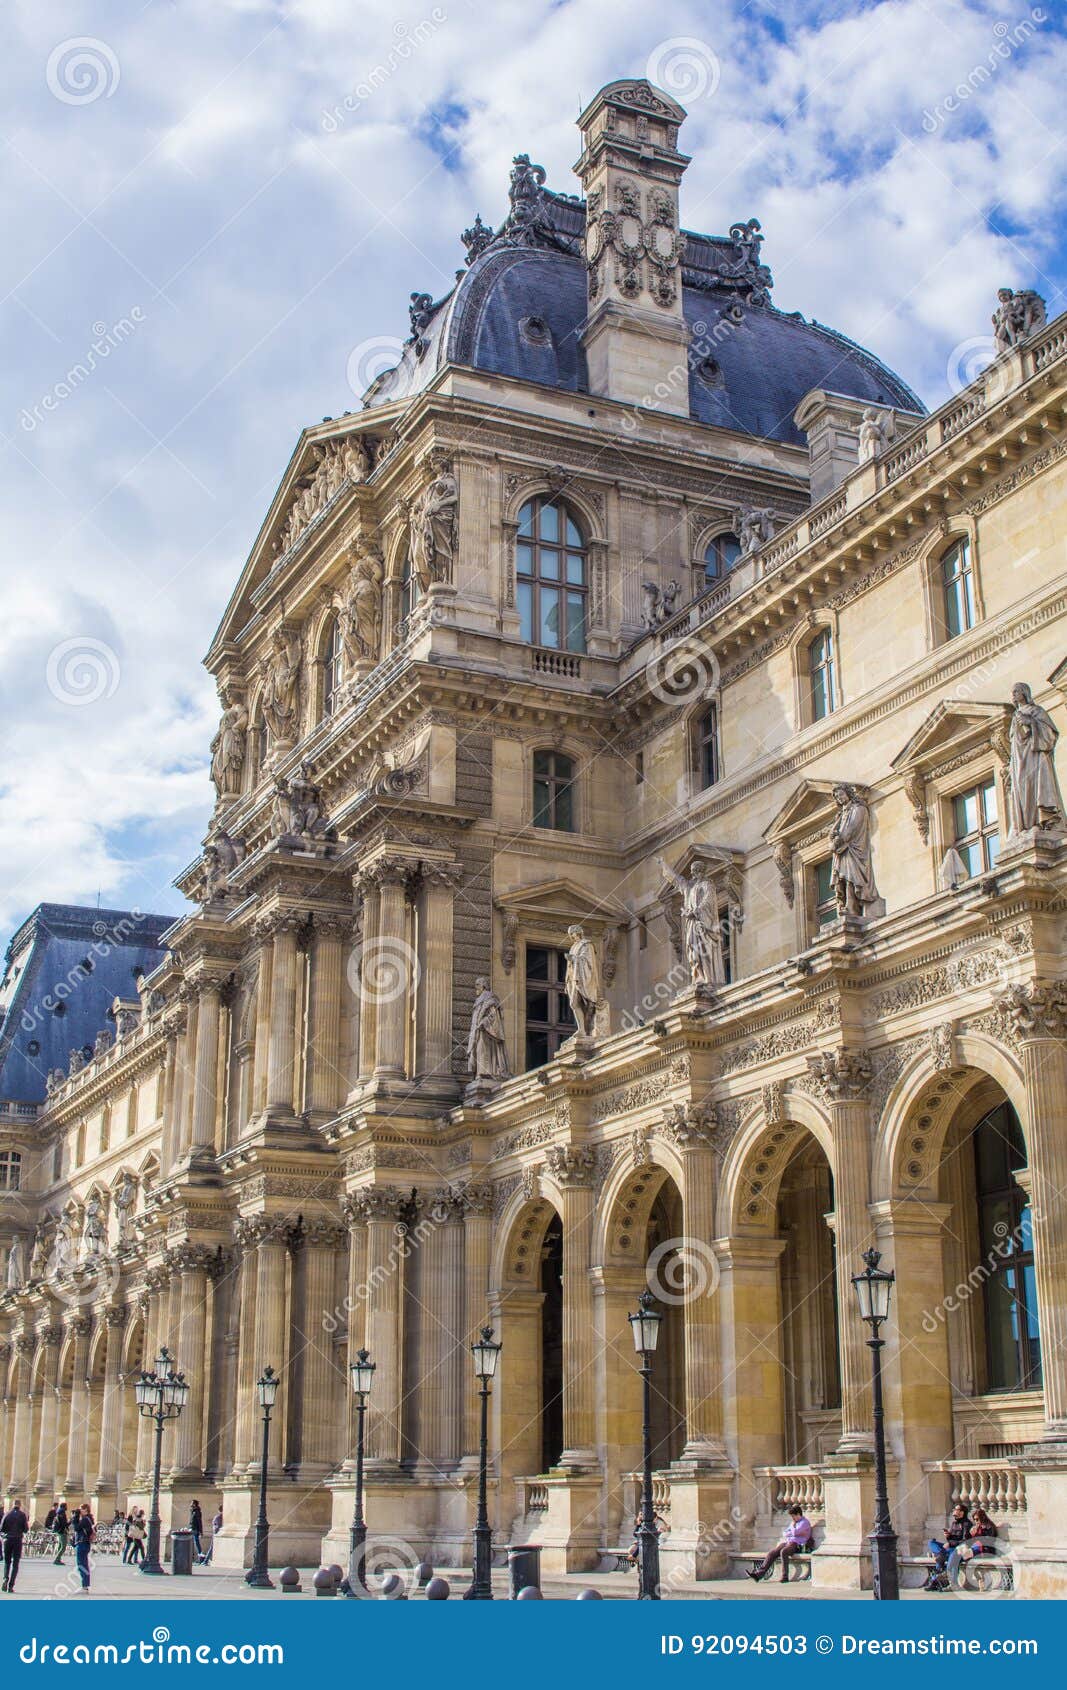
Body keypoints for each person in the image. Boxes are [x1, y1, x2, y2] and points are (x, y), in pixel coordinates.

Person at [747, 1503, 814, 1583]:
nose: (792, 1518)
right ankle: (758, 1574)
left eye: (793, 1516)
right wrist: (791, 1531)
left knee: (783, 1552)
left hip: (798, 1545)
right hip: (789, 1542)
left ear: (798, 1514)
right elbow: (785, 1533)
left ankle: (785, 1577)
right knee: (772, 1553)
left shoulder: (804, 1522)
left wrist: (792, 1528)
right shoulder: (794, 1523)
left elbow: (795, 1532)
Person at [924, 1502, 970, 1590]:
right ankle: (940, 1553)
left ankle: (934, 1581)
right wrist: (948, 1536)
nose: (954, 1511)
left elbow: (965, 1541)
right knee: (931, 1543)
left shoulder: (966, 1524)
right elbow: (950, 1540)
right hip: (948, 1548)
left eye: (956, 1509)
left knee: (941, 1560)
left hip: (958, 1549)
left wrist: (950, 1543)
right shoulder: (954, 1523)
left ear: (962, 1512)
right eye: (954, 1509)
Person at [1, 1497, 29, 1593]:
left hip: (8, 1539)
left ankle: (5, 1579)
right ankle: (11, 1585)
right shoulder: (22, 1515)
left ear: (12, 1504)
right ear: (20, 1505)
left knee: (7, 1562)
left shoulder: (7, 1514)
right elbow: (26, 1529)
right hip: (17, 1540)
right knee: (15, 1564)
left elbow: (1, 1528)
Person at [72, 1503, 95, 1592]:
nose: (79, 1511)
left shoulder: (85, 1519)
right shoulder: (88, 1519)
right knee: (84, 1564)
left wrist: (75, 1517)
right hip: (85, 1543)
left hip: (82, 1543)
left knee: (81, 1565)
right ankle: (85, 1585)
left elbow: (76, 1528)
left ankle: (84, 1586)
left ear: (85, 1510)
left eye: (81, 1509)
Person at [51, 1498, 69, 1565]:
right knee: (63, 1546)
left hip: (59, 1531)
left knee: (60, 1545)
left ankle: (58, 1559)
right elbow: (64, 1524)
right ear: (64, 1507)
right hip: (62, 1531)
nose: (67, 1508)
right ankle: (57, 1559)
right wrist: (70, 1522)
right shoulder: (62, 1513)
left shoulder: (58, 1512)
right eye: (66, 1506)